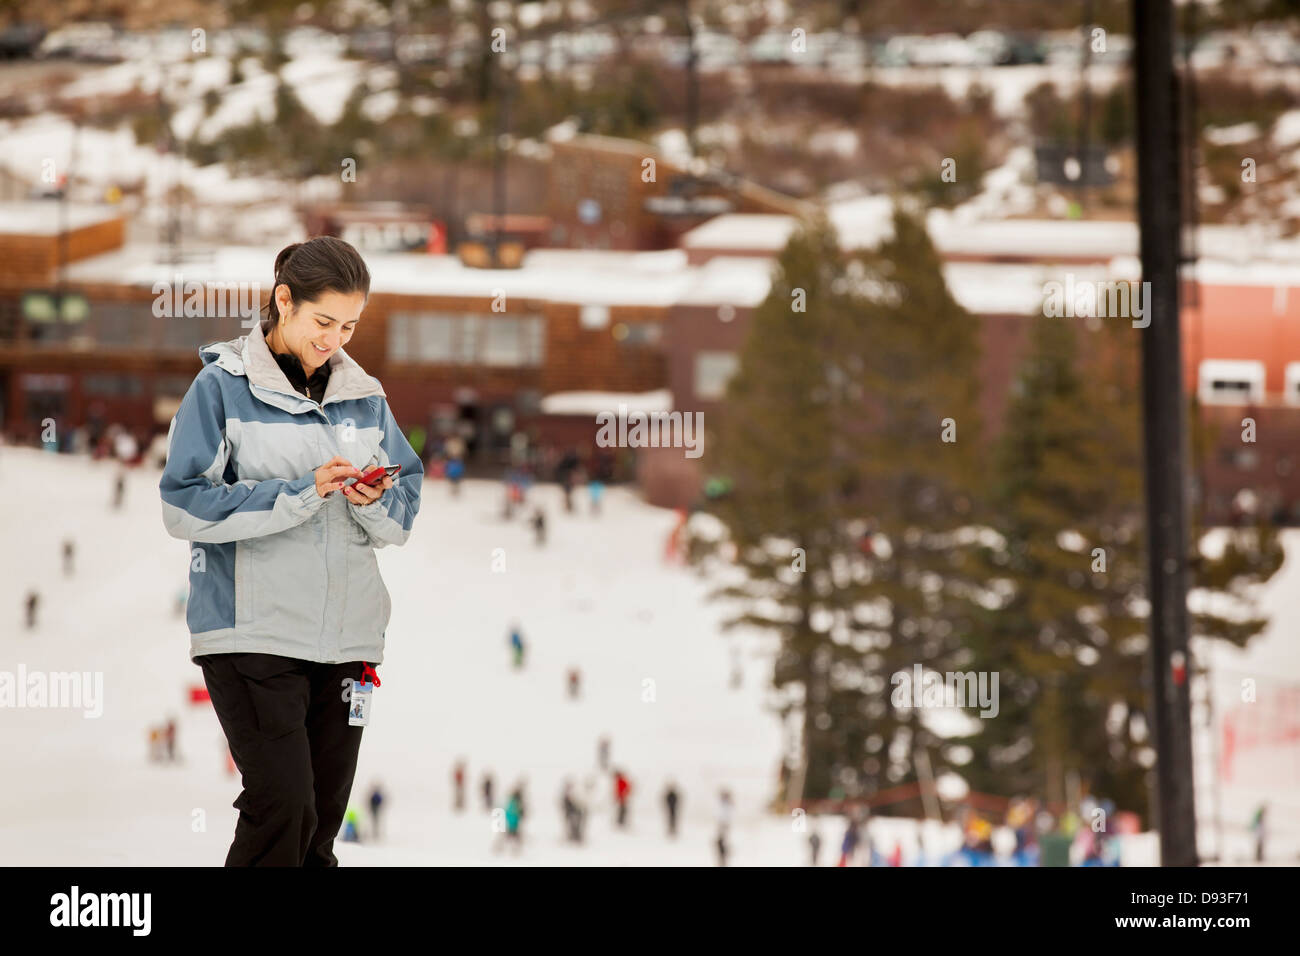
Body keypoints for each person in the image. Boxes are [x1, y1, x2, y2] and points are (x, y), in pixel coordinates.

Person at [159, 237, 423, 867]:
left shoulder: (367, 397)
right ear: (284, 301)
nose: (335, 339)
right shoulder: (220, 388)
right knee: (284, 803)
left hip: (346, 638)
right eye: (323, 321)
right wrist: (300, 493)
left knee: (319, 826)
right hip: (252, 633)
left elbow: (405, 509)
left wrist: (369, 497)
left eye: (350, 325)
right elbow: (182, 503)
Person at [715, 789, 733, 866]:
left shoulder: (728, 805)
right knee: (720, 842)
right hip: (722, 824)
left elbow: (727, 815)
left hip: (724, 824)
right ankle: (722, 859)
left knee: (722, 842)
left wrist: (724, 824)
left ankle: (723, 859)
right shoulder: (722, 804)